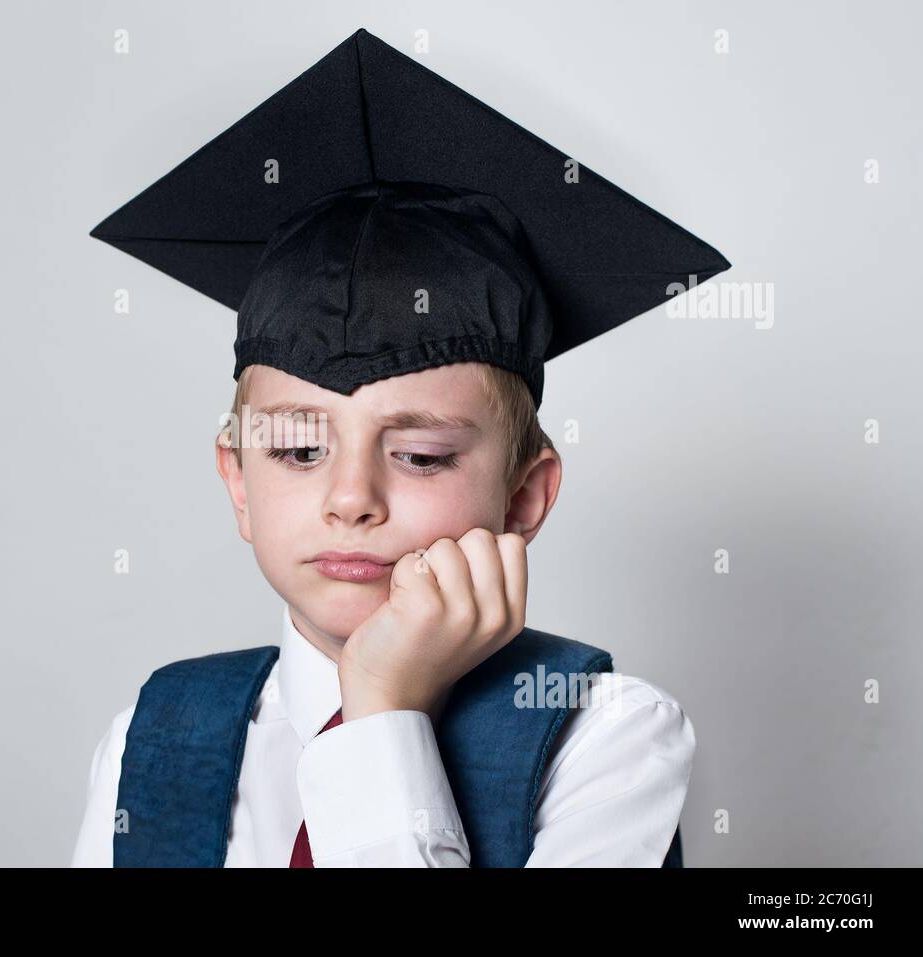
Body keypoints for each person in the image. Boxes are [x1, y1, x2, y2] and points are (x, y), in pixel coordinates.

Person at [74, 28, 728, 867]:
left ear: (525, 498)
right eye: (299, 450)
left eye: (419, 456)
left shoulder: (604, 737)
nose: (351, 498)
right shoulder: (153, 737)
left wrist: (382, 712)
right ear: (237, 481)